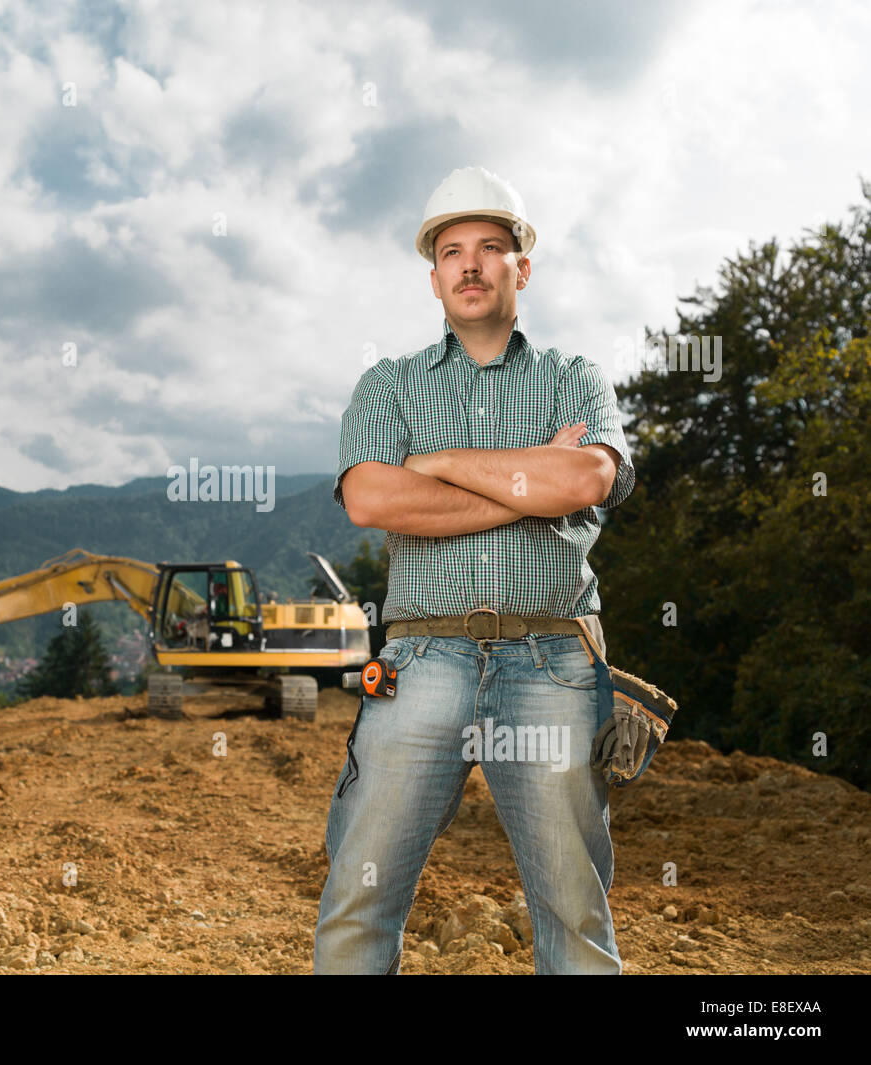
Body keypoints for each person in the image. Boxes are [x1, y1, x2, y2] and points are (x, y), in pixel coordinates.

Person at [314, 166, 636, 975]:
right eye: (451, 250)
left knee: (575, 913)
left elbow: (586, 479)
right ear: (433, 277)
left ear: (521, 267)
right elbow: (370, 497)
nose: (470, 264)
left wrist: (445, 464)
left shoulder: (576, 377)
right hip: (420, 660)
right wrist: (531, 486)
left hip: (553, 661)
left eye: (491, 247)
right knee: (359, 897)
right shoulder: (387, 385)